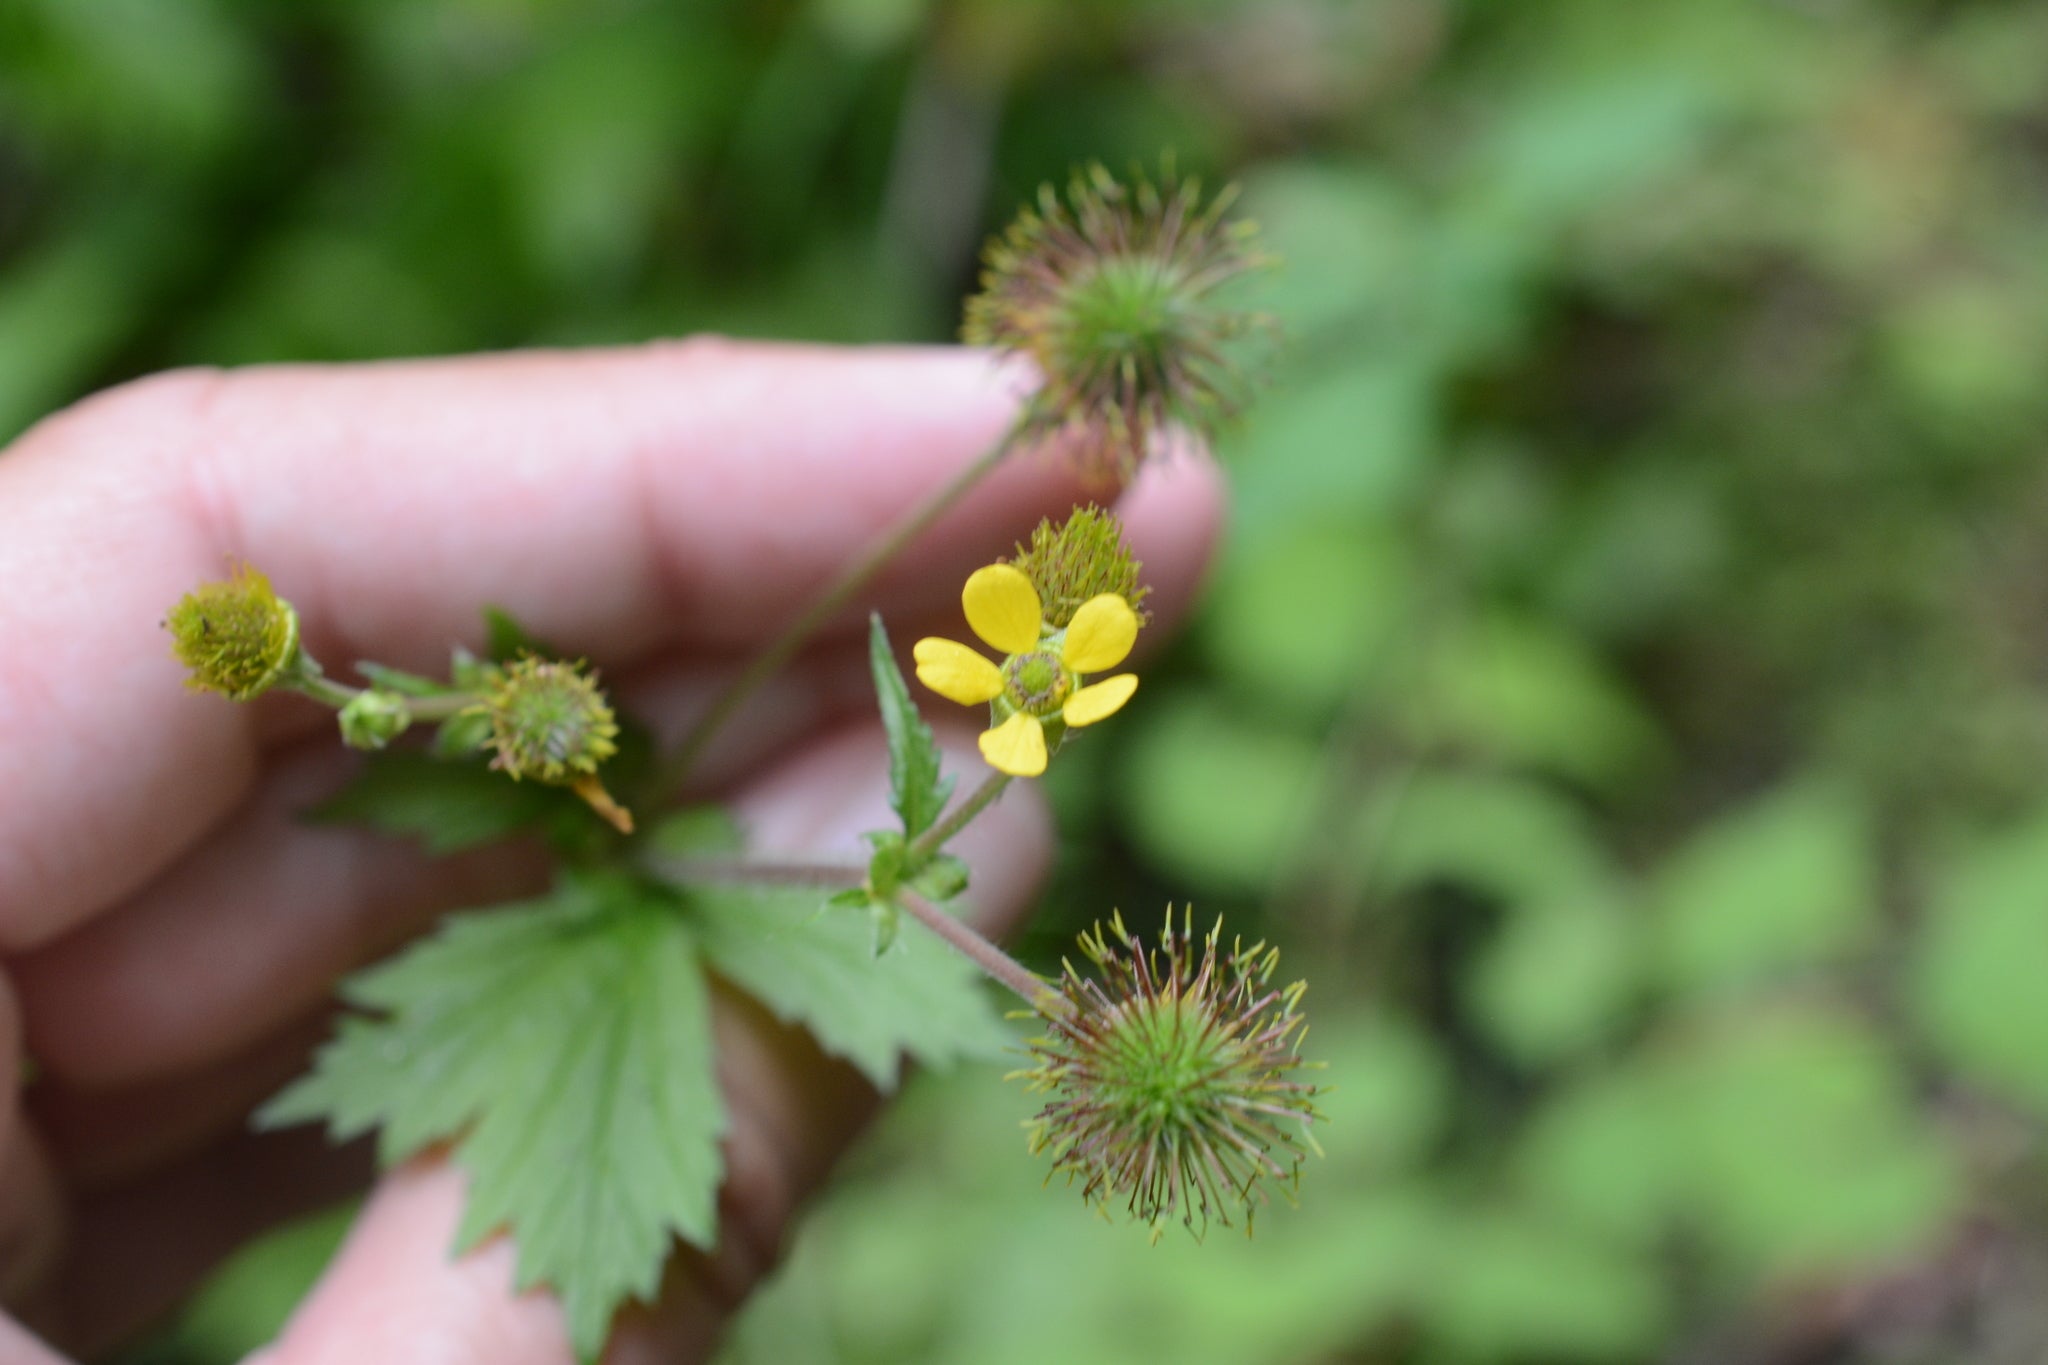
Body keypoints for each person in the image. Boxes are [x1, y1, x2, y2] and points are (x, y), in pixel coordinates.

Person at [0, 340, 1223, 1363]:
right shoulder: (979, 680)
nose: (1033, 673)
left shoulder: (1034, 693)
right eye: (1030, 664)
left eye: (1044, 670)